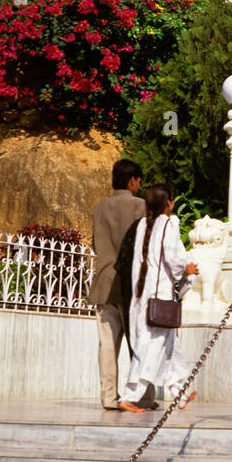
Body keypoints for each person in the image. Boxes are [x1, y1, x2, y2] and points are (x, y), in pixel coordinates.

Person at [117, 184, 199, 413]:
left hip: (143, 296)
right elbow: (173, 257)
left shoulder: (142, 225)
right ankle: (129, 396)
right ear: (169, 203)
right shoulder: (168, 225)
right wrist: (187, 269)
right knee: (151, 348)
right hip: (160, 297)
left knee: (170, 346)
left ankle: (180, 393)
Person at [89, 159, 147, 411]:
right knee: (140, 342)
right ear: (133, 180)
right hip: (131, 283)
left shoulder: (99, 208)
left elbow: (96, 243)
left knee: (107, 344)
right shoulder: (141, 206)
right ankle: (140, 396)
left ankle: (109, 398)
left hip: (104, 282)